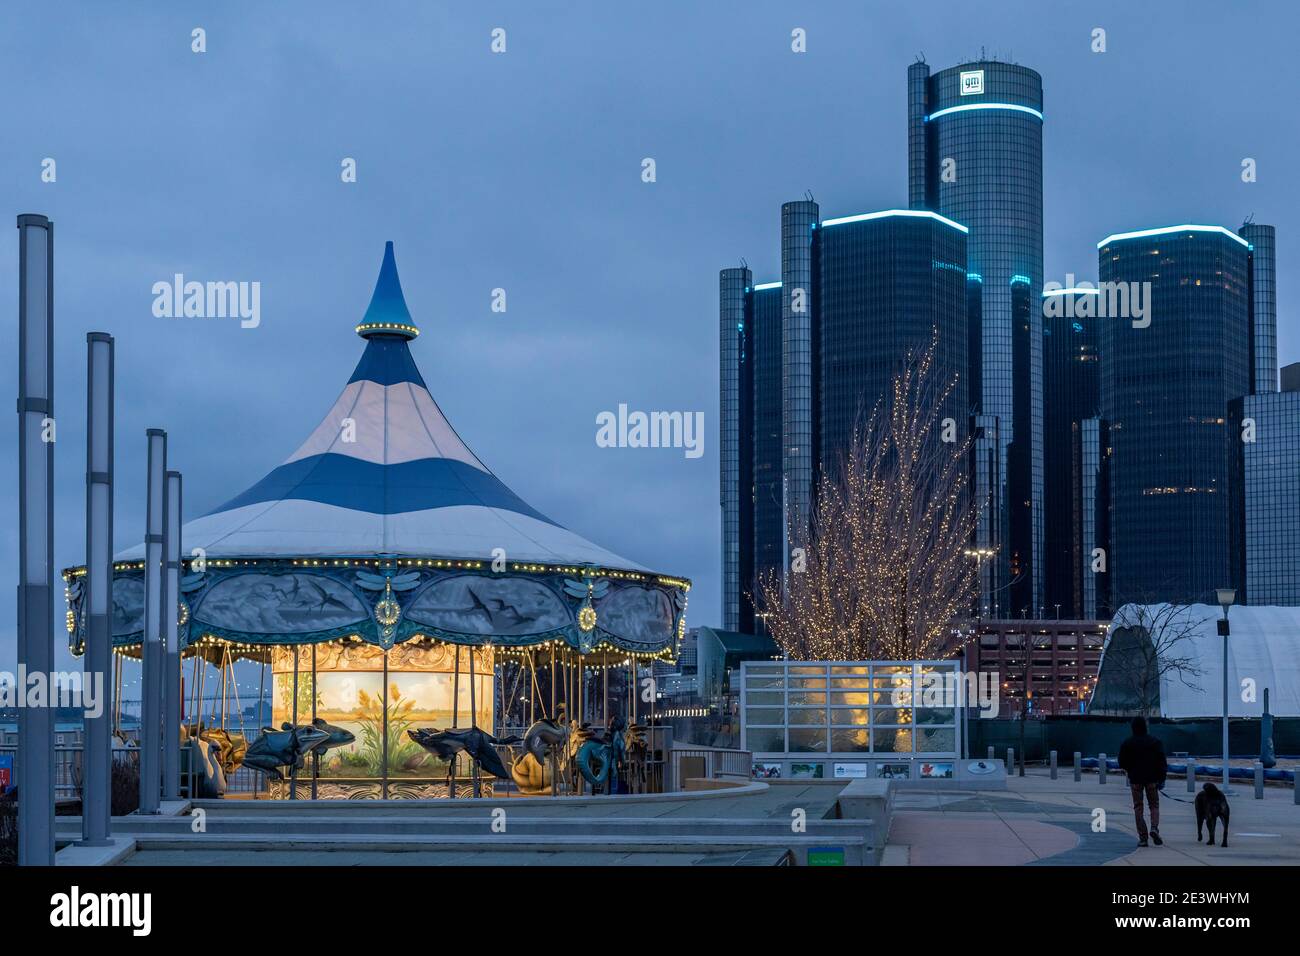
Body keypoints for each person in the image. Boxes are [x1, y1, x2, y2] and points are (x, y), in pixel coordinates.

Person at [1118, 715, 1168, 847]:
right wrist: (1161, 778)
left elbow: (1121, 762)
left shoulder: (1127, 743)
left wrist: (1130, 769)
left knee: (1138, 807)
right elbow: (1162, 762)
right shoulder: (1155, 742)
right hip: (1152, 778)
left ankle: (1143, 837)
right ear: (1145, 727)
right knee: (1154, 805)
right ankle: (1154, 828)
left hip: (1135, 779)